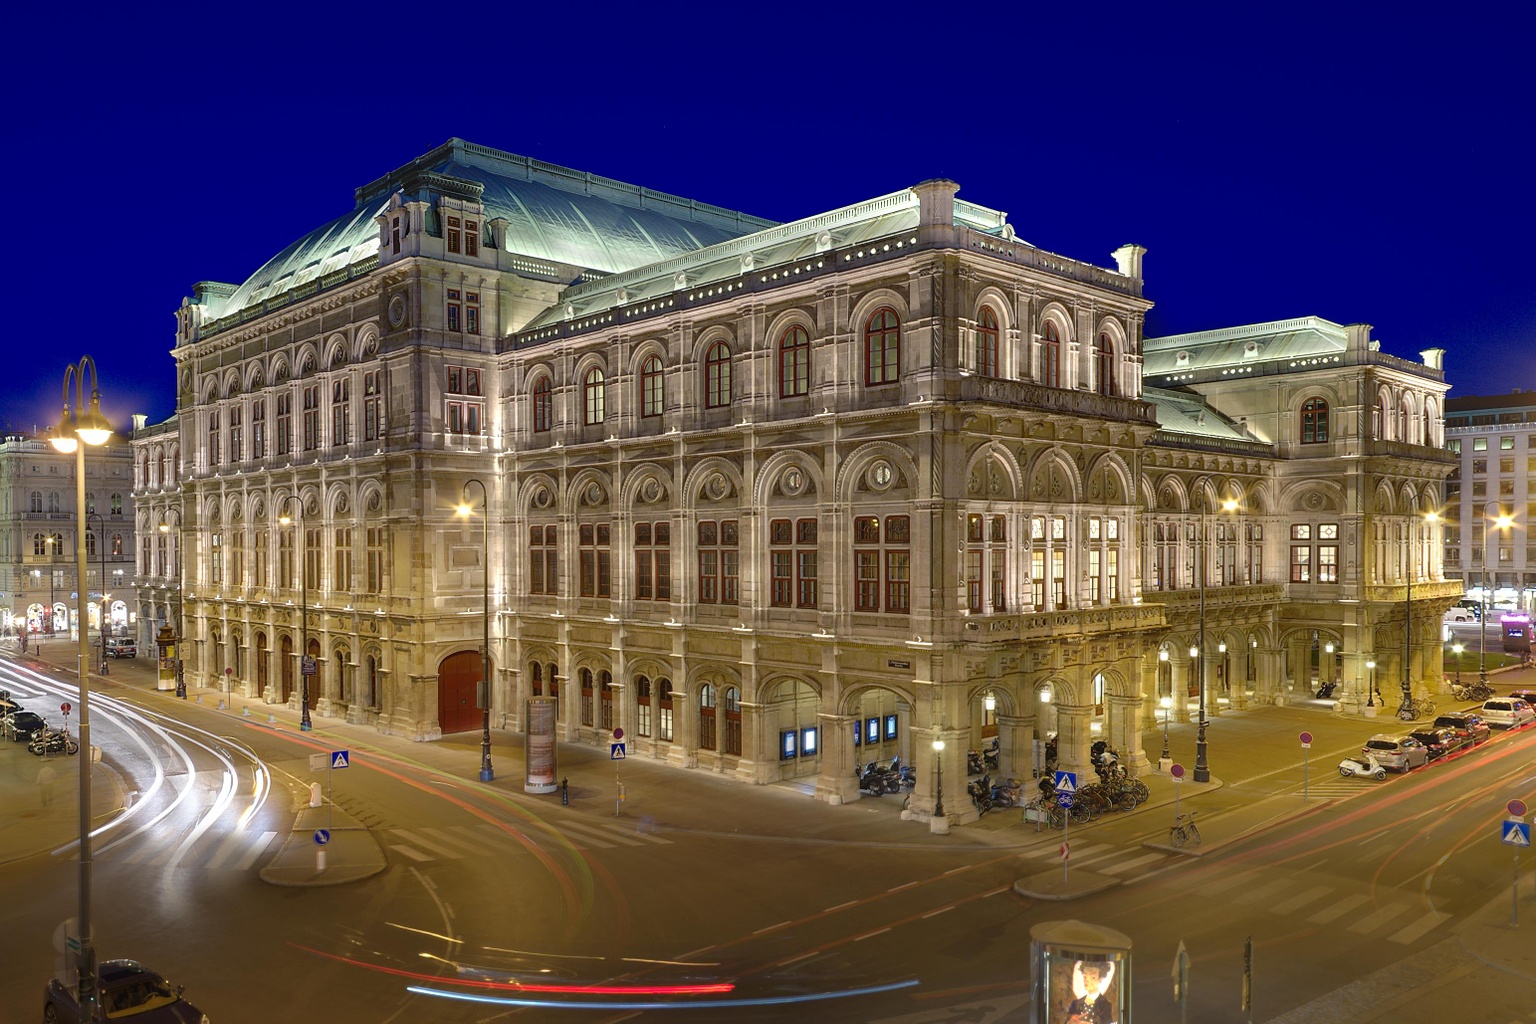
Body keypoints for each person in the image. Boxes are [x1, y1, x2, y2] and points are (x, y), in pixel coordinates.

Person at [1063, 959, 1117, 1024]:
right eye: (1085, 977)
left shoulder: (1105, 1004)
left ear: (1100, 979)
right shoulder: (1075, 1003)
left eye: (1093, 978)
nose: (1087, 980)